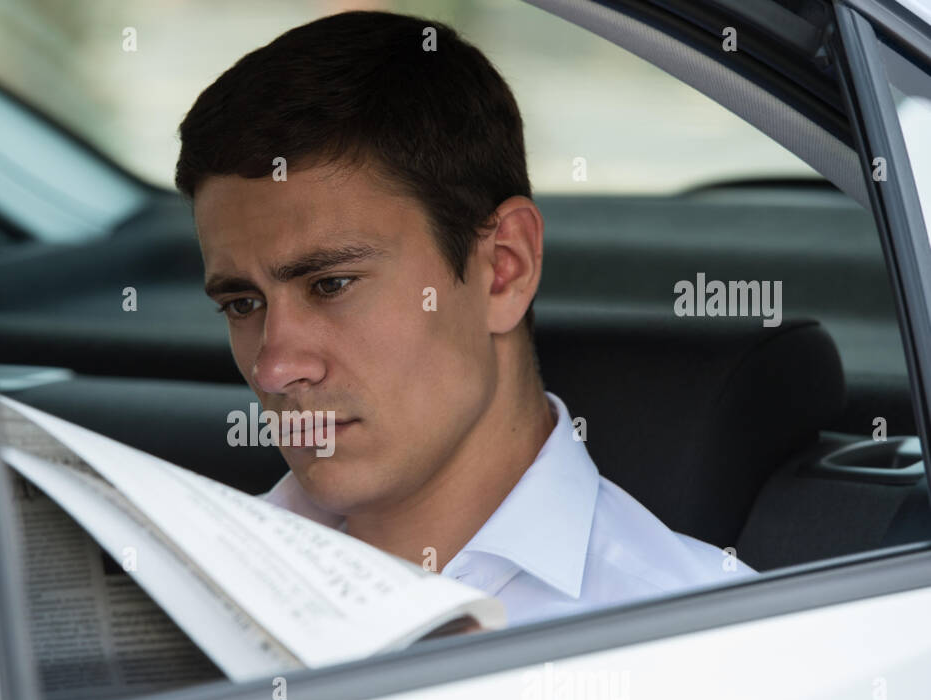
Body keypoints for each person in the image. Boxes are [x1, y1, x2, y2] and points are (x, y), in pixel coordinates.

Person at [173, 10, 754, 627]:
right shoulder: (186, 584)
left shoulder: (705, 635)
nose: (273, 368)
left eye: (332, 284)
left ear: (503, 269)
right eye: (242, 304)